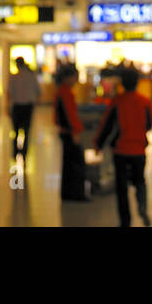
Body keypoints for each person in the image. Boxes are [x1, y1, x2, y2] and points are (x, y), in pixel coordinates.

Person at [95, 67, 152, 227]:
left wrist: (98, 143)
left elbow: (106, 125)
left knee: (121, 187)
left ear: (122, 83)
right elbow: (150, 124)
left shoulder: (117, 102)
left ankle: (125, 220)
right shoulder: (145, 101)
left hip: (121, 150)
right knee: (139, 180)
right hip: (139, 148)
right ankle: (142, 207)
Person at [54, 63, 89, 202]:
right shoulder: (65, 93)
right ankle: (77, 193)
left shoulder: (61, 91)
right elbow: (69, 114)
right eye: (75, 77)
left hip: (65, 131)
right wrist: (74, 131)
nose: (76, 80)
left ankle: (67, 193)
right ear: (67, 78)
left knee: (68, 164)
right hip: (69, 132)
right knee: (76, 164)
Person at [7, 56, 41, 162]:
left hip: (17, 107)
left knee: (15, 131)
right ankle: (24, 152)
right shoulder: (31, 76)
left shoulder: (14, 77)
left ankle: (15, 152)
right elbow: (38, 92)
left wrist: (7, 107)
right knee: (26, 131)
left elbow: (9, 93)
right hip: (27, 107)